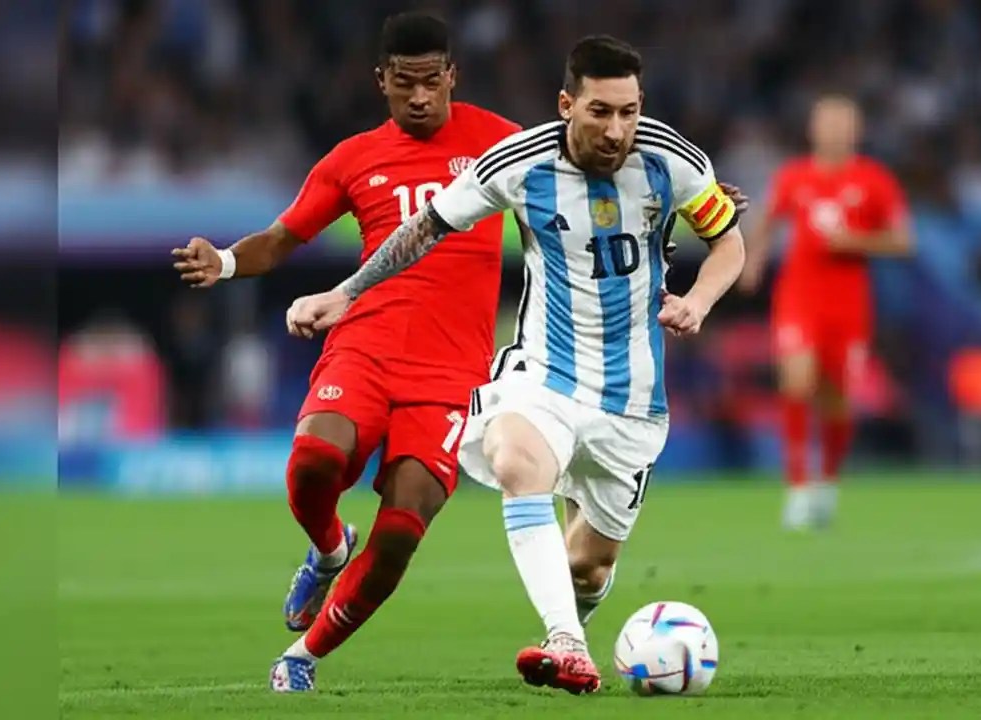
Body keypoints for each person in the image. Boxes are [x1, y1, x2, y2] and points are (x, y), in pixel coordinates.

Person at [286, 35, 747, 695]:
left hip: (632, 400)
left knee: (587, 566)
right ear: (566, 105)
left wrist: (699, 299)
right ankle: (567, 643)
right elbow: (424, 228)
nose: (618, 130)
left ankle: (575, 616)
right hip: (543, 374)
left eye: (629, 111)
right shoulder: (518, 161)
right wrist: (346, 291)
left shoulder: (671, 160)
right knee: (514, 458)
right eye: (600, 112)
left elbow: (728, 239)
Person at [170, 13, 521, 692]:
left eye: (431, 81)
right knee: (313, 463)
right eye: (404, 83)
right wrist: (224, 260)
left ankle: (302, 655)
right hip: (365, 342)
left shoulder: (501, 144)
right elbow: (283, 236)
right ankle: (330, 547)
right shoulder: (353, 157)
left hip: (451, 370)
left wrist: (690, 209)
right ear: (380, 81)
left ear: (453, 75)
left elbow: (580, 180)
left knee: (402, 527)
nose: (420, 97)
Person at [739, 94, 913, 531]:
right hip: (799, 296)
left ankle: (828, 483)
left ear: (857, 130)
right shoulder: (794, 176)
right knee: (797, 381)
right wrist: (753, 259)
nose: (834, 130)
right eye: (827, 122)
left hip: (849, 303)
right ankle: (798, 486)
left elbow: (903, 241)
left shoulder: (874, 180)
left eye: (843, 123)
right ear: (812, 129)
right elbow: (766, 219)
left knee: (837, 399)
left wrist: (854, 241)